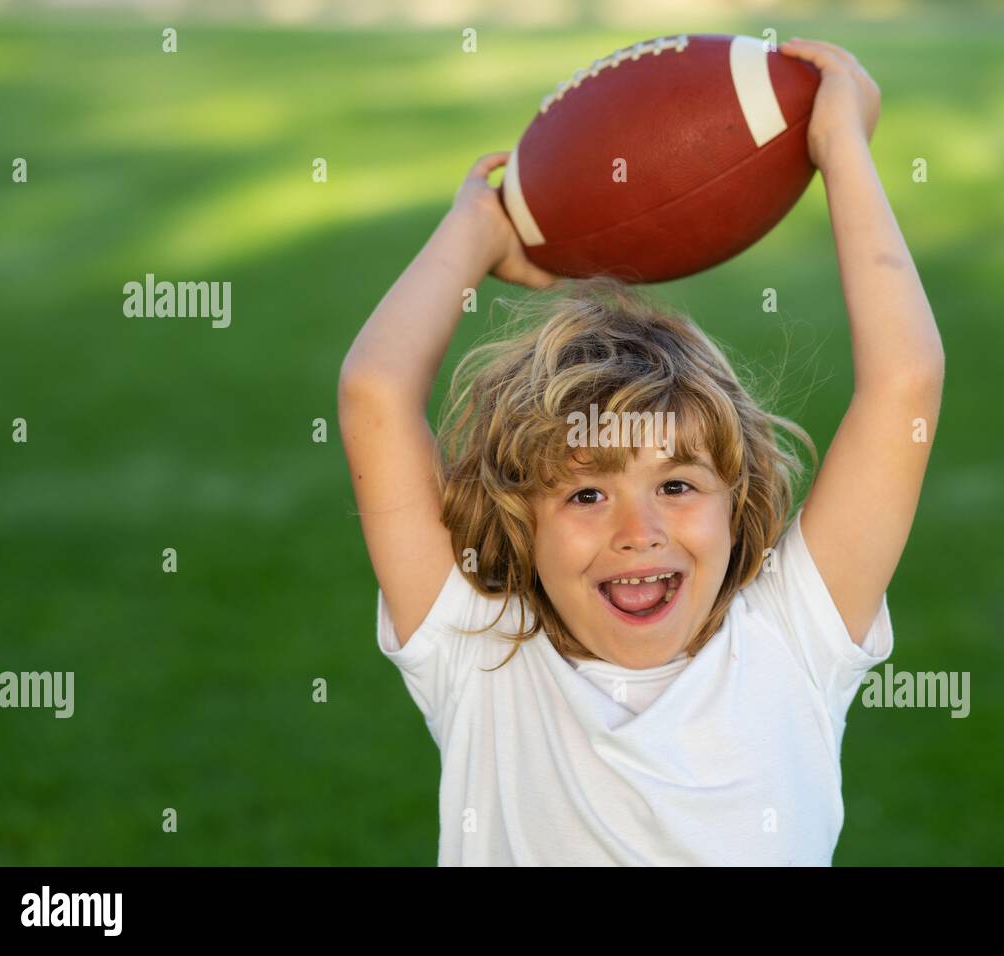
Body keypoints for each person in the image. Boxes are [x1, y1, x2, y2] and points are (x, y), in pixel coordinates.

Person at [337, 37, 944, 865]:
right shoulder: (478, 655)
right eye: (586, 495)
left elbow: (905, 382)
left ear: (741, 504)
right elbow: (374, 393)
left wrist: (842, 151)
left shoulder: (794, 638)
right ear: (521, 521)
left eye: (679, 485)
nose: (639, 530)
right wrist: (472, 232)